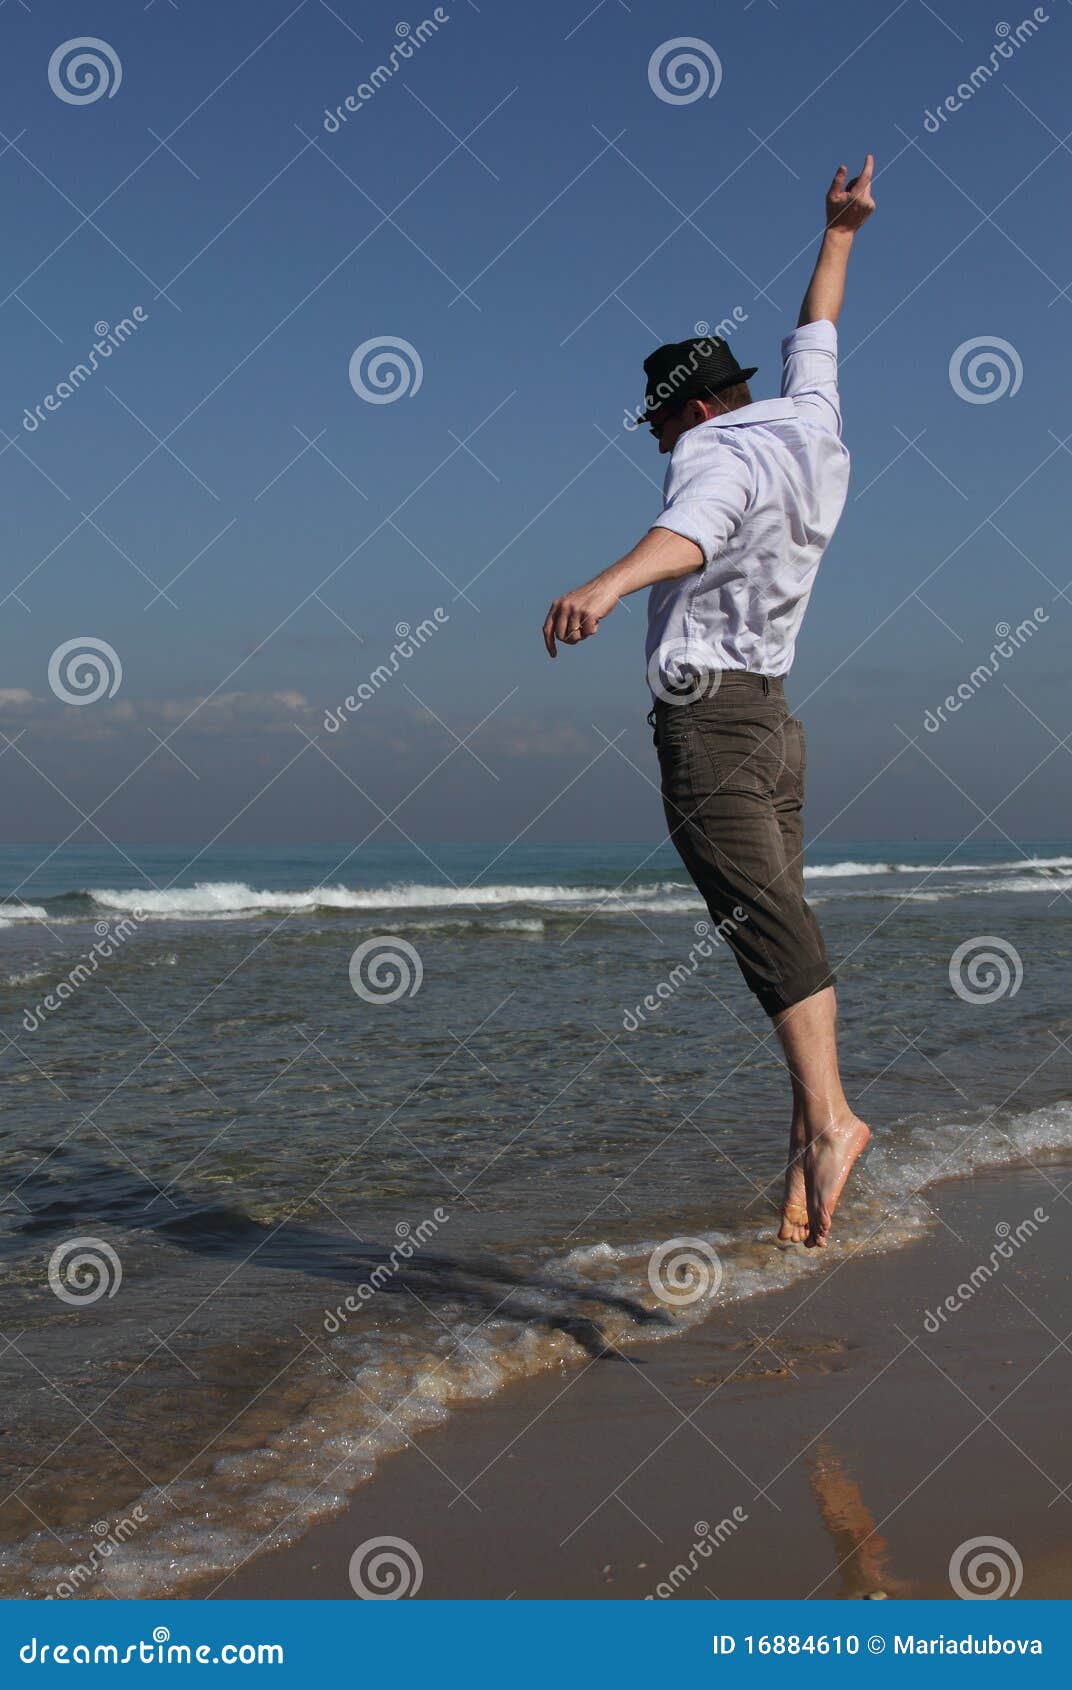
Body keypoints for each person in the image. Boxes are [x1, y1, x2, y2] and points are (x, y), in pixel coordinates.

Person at [542, 156, 877, 1249]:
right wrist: (838, 233)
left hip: (712, 723)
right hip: (775, 722)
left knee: (762, 926)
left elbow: (699, 527)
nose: (657, 441)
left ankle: (829, 1124)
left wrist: (607, 582)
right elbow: (815, 331)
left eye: (655, 424)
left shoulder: (713, 451)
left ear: (687, 407)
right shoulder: (807, 423)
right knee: (788, 924)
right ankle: (805, 1149)